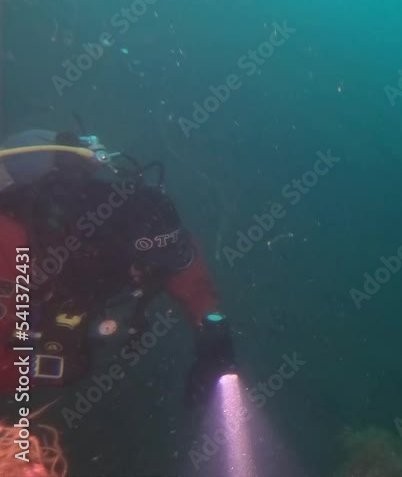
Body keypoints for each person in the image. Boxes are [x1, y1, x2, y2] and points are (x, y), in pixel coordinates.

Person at [0, 129, 235, 407]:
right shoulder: (16, 244)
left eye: (149, 270)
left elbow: (191, 279)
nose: (141, 278)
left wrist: (213, 339)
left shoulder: (140, 226)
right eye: (143, 269)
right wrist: (49, 370)